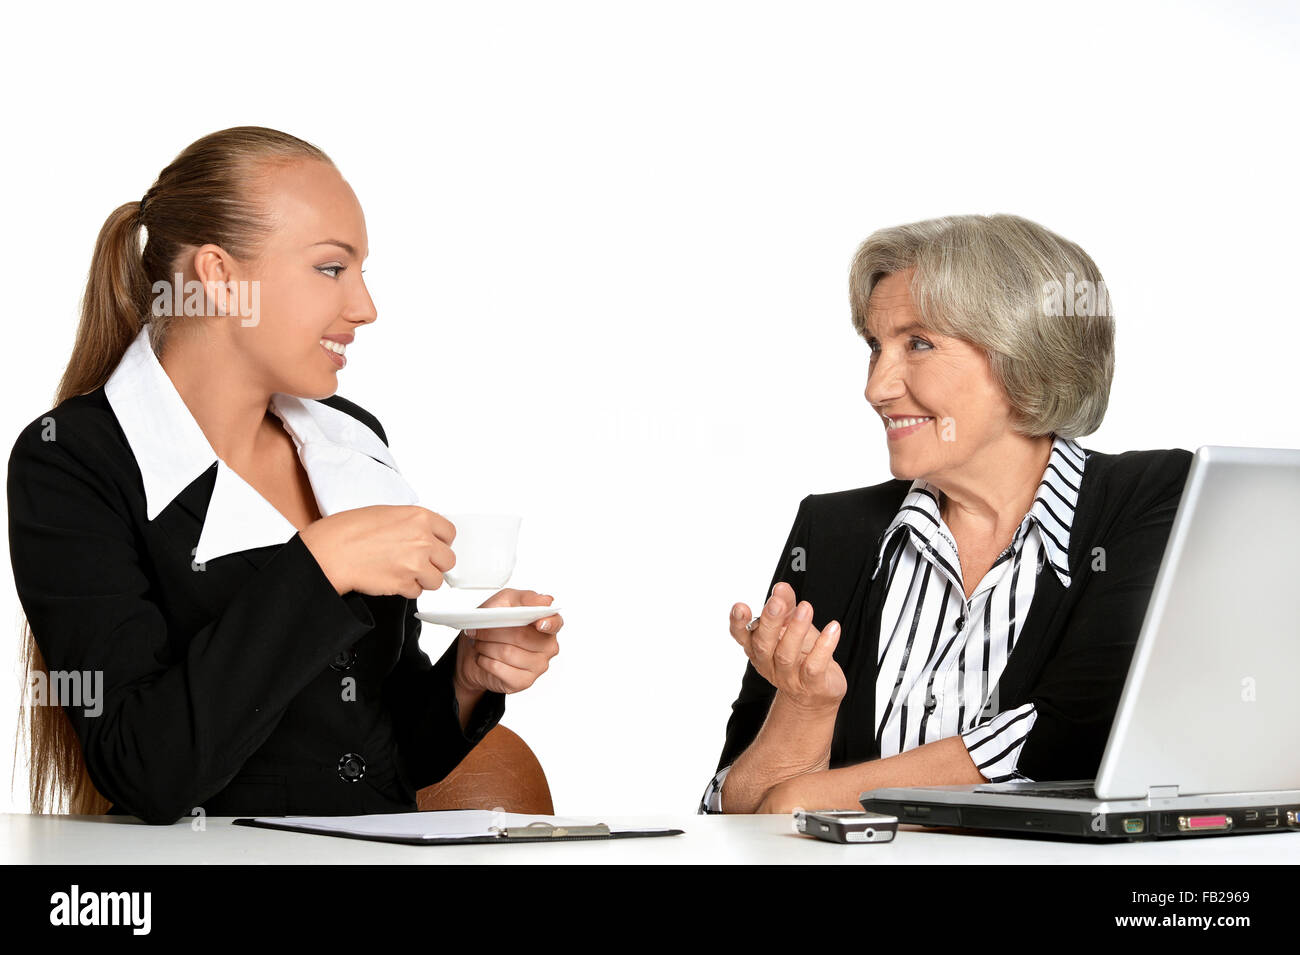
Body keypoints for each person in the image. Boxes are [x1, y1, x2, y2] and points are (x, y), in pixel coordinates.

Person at [8, 126, 562, 825]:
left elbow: (379, 761)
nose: (365, 306)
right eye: (332, 269)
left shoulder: (350, 438)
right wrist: (320, 563)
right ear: (217, 275)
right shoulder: (72, 462)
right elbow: (147, 769)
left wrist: (466, 678)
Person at [701, 214, 1192, 814]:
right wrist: (805, 712)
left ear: (1025, 355)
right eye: (876, 347)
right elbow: (733, 812)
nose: (876, 386)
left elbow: (1081, 732)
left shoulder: (1153, 497)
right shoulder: (833, 532)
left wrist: (813, 795)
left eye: (920, 344)